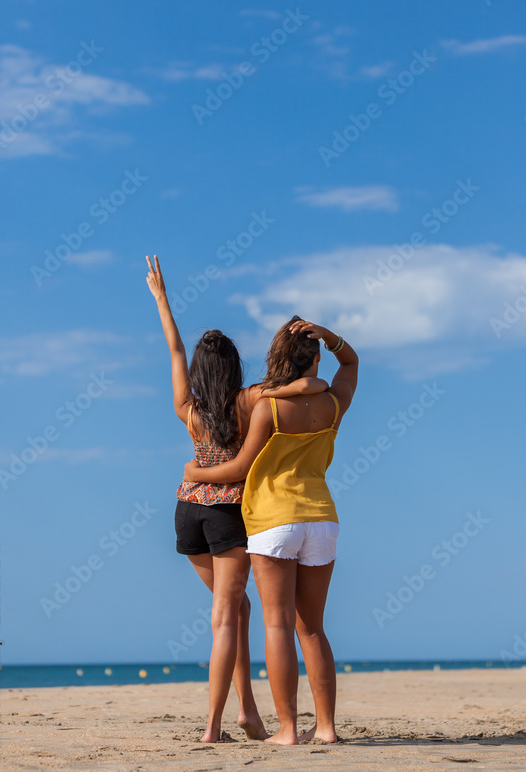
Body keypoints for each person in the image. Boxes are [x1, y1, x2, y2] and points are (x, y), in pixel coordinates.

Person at [145, 258, 329, 743]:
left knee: (237, 609)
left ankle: (248, 711)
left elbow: (175, 348)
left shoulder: (187, 409)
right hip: (228, 514)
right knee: (228, 615)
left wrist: (161, 300)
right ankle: (212, 727)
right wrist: (311, 382)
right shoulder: (246, 402)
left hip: (188, 512)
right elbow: (298, 387)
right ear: (233, 369)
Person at [184, 316, 359, 745]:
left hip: (273, 520)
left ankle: (287, 729)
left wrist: (196, 473)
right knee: (313, 628)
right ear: (316, 358)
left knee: (278, 625)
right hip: (321, 517)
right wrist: (330, 337)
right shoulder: (333, 403)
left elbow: (240, 467)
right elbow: (351, 363)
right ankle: (327, 728)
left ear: (276, 360)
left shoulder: (269, 408)